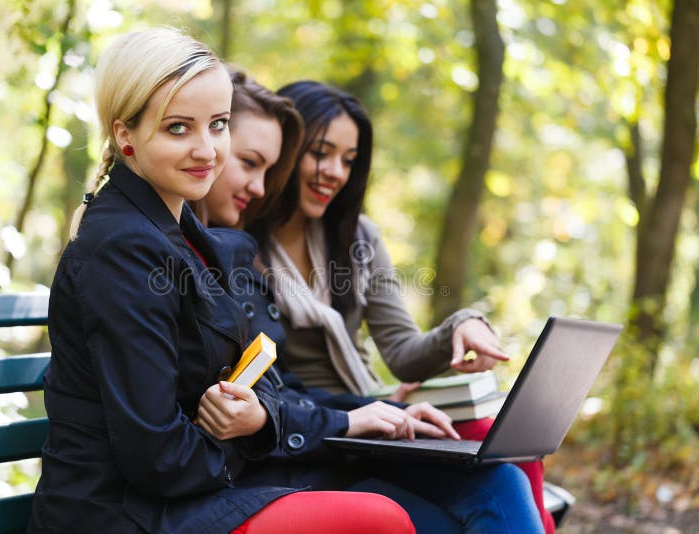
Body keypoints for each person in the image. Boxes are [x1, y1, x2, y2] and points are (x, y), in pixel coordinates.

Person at [28, 28, 418, 534]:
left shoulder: (185, 236)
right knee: (378, 519)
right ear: (126, 136)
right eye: (178, 128)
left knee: (401, 490)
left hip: (182, 496)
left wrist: (259, 422)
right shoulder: (124, 250)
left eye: (217, 125)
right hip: (120, 514)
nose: (207, 149)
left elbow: (260, 384)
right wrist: (252, 437)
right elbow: (157, 456)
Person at [193, 69, 544, 533]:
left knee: (505, 456)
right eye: (320, 153)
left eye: (349, 159)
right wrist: (361, 415)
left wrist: (460, 326)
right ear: (286, 151)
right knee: (474, 478)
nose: (335, 171)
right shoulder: (235, 239)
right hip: (323, 425)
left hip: (355, 409)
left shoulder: (355, 239)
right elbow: (271, 387)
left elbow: (401, 350)